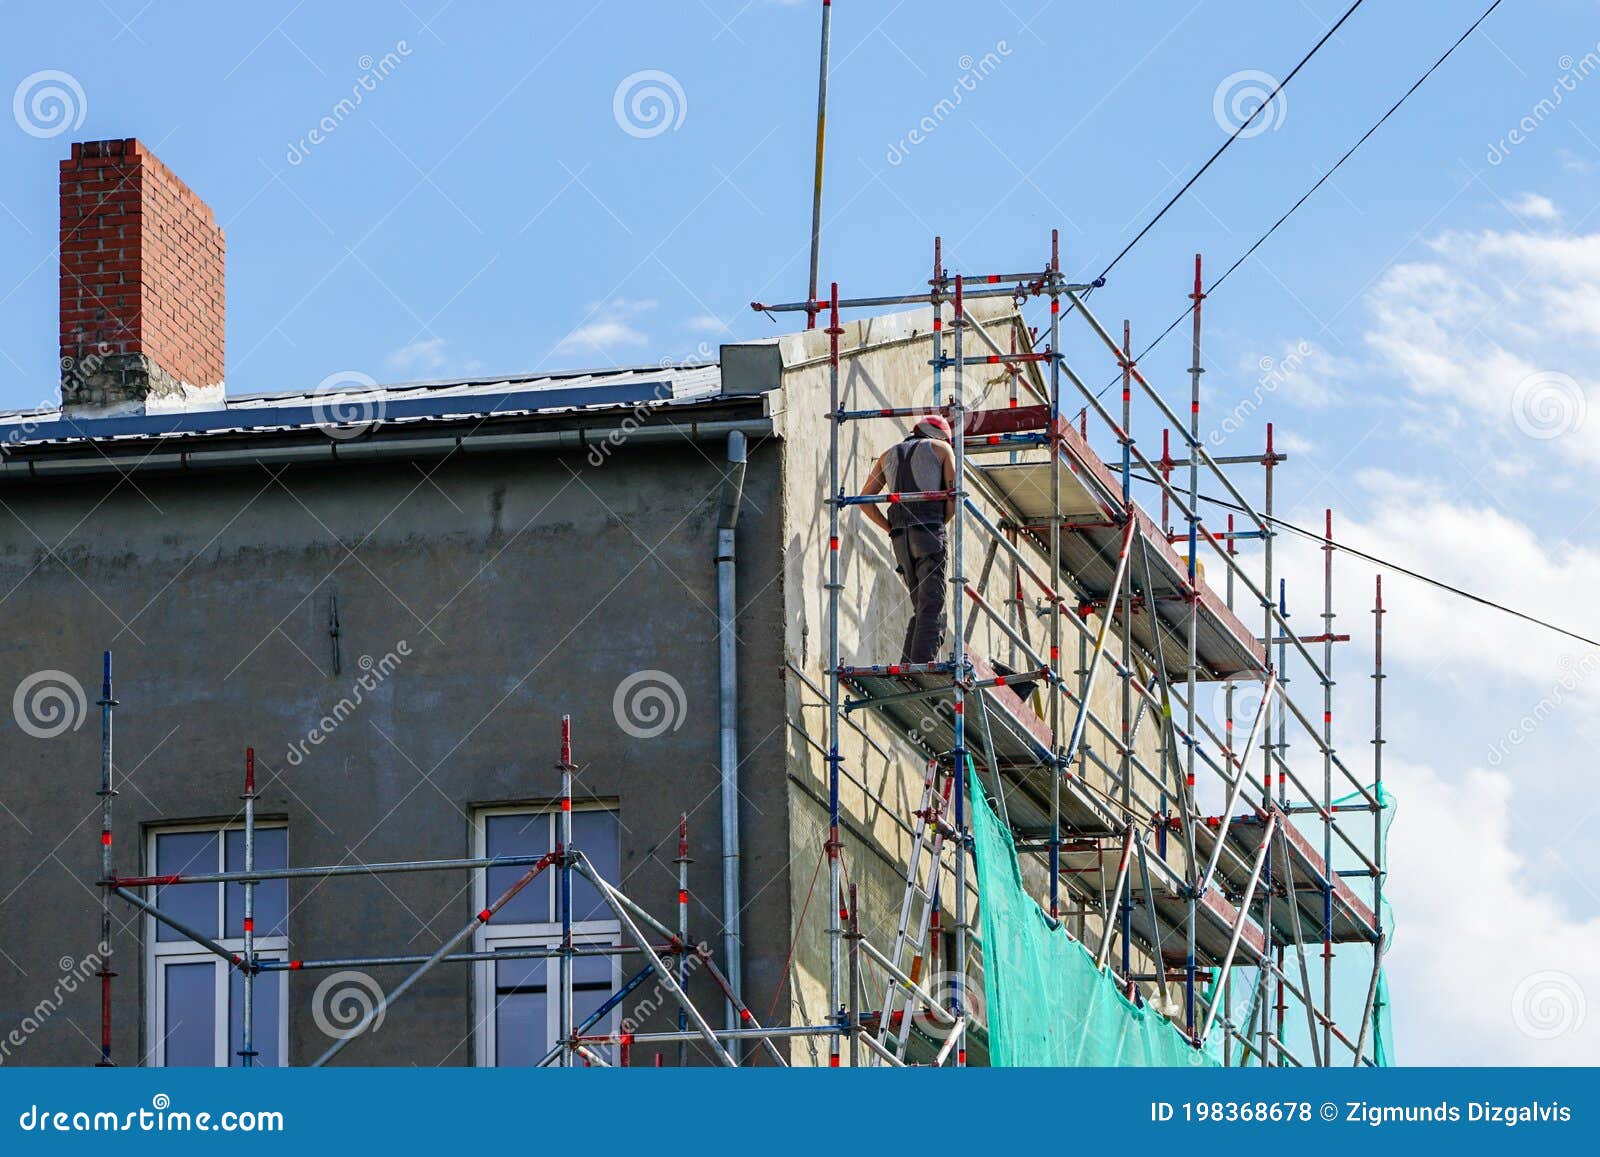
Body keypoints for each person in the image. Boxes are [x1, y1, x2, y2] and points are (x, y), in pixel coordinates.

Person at [859, 414, 957, 663]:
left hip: (901, 539)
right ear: (941, 435)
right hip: (929, 532)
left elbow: (865, 500)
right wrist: (938, 525)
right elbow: (952, 497)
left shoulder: (887, 455)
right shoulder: (942, 448)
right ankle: (920, 668)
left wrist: (890, 528)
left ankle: (908, 666)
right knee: (932, 605)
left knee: (922, 606)